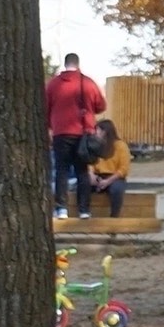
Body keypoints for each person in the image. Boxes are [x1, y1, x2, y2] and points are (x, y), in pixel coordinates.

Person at [46, 53, 106, 219]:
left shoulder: (53, 84)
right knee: (82, 171)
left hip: (60, 132)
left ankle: (61, 209)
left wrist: (50, 127)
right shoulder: (87, 83)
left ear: (65, 65)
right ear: (78, 64)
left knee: (61, 171)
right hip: (83, 133)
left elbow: (45, 108)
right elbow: (101, 105)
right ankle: (84, 210)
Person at [88, 120, 131, 218]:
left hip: (114, 177)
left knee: (116, 190)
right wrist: (91, 175)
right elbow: (90, 163)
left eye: (97, 130)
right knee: (83, 185)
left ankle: (114, 217)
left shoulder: (121, 146)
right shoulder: (95, 145)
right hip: (98, 175)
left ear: (104, 132)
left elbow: (123, 169)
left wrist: (107, 181)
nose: (95, 133)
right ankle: (84, 212)